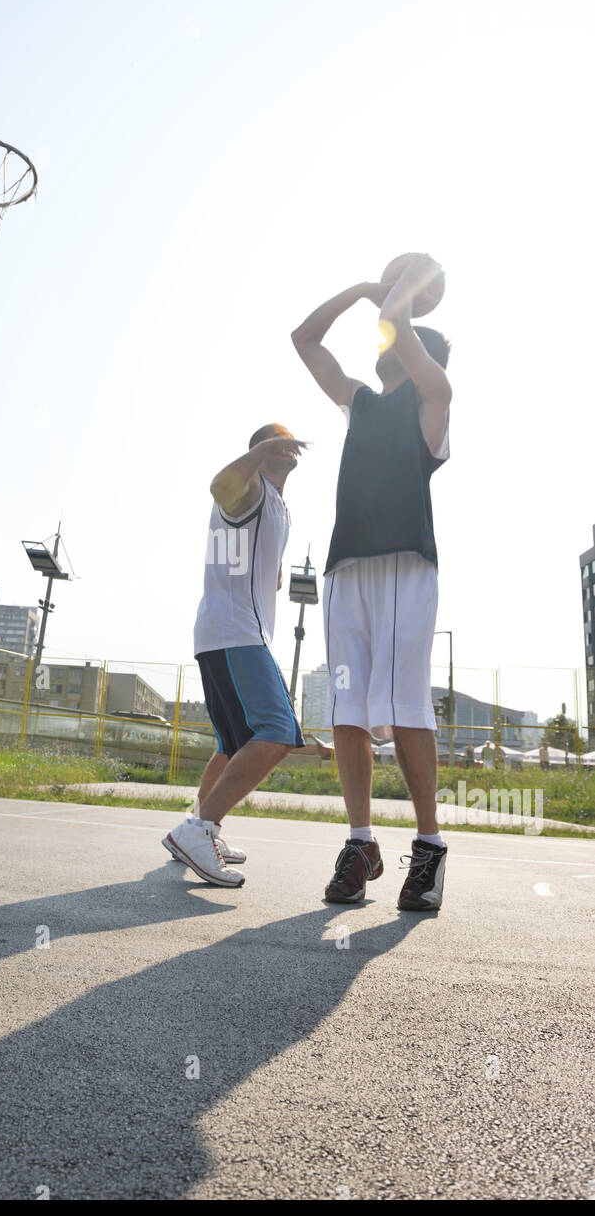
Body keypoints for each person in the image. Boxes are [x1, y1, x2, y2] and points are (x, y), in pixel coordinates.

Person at [291, 254, 451, 911]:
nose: (387, 343)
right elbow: (303, 340)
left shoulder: (435, 402)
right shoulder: (359, 402)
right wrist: (361, 288)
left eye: (403, 341)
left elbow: (395, 324)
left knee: (407, 705)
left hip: (406, 570)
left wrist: (397, 294)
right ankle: (360, 842)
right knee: (347, 710)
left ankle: (429, 848)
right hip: (348, 568)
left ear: (419, 354)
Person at [163, 425, 307, 886]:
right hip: (236, 633)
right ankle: (197, 830)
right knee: (278, 731)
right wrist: (262, 449)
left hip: (228, 632)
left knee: (232, 744)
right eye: (276, 440)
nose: (288, 444)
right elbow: (219, 486)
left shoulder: (276, 504)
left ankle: (201, 830)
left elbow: (260, 566)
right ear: (262, 452)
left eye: (287, 439)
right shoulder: (246, 487)